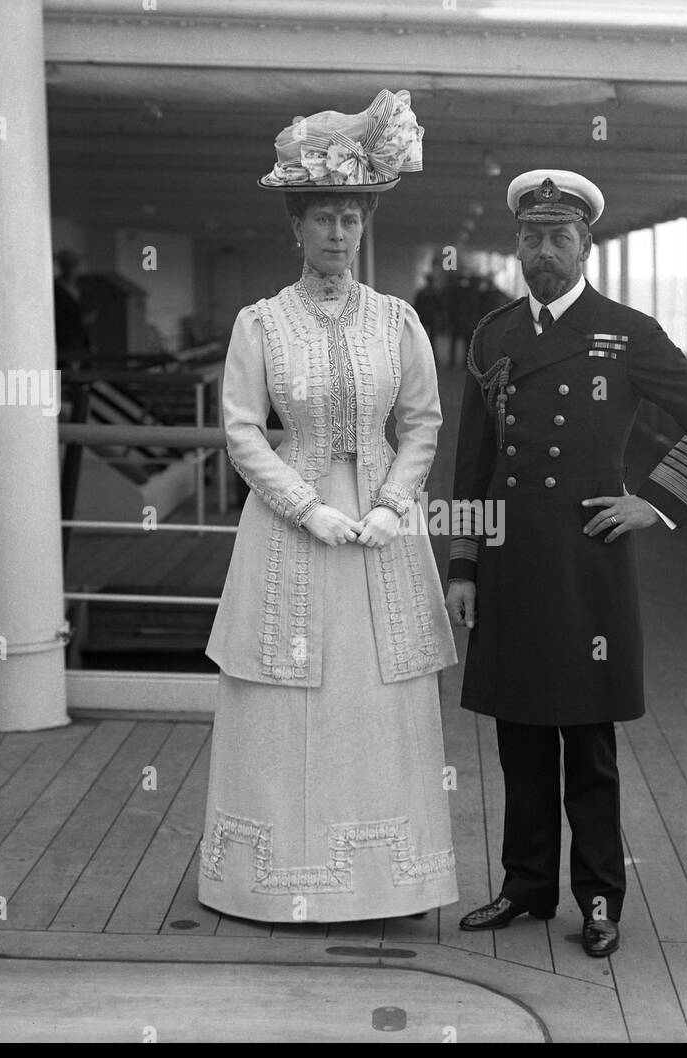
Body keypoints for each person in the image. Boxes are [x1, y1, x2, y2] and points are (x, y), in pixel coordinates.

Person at [445, 170, 687, 957]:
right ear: (517, 246)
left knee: (587, 741)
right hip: (510, 562)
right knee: (518, 735)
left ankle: (601, 897)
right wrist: (464, 565)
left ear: (587, 245)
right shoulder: (493, 336)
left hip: (588, 561)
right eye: (531, 238)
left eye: (559, 237)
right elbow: (470, 459)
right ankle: (525, 884)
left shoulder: (627, 331)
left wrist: (657, 500)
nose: (543, 251)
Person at [199, 90, 459, 923]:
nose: (339, 233)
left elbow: (422, 422)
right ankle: (273, 883)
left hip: (383, 530)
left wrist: (392, 504)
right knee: (286, 695)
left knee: (378, 695)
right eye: (324, 219)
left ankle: (389, 878)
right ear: (297, 228)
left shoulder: (397, 321)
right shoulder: (261, 324)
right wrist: (306, 507)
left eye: (351, 218)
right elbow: (242, 432)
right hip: (291, 529)